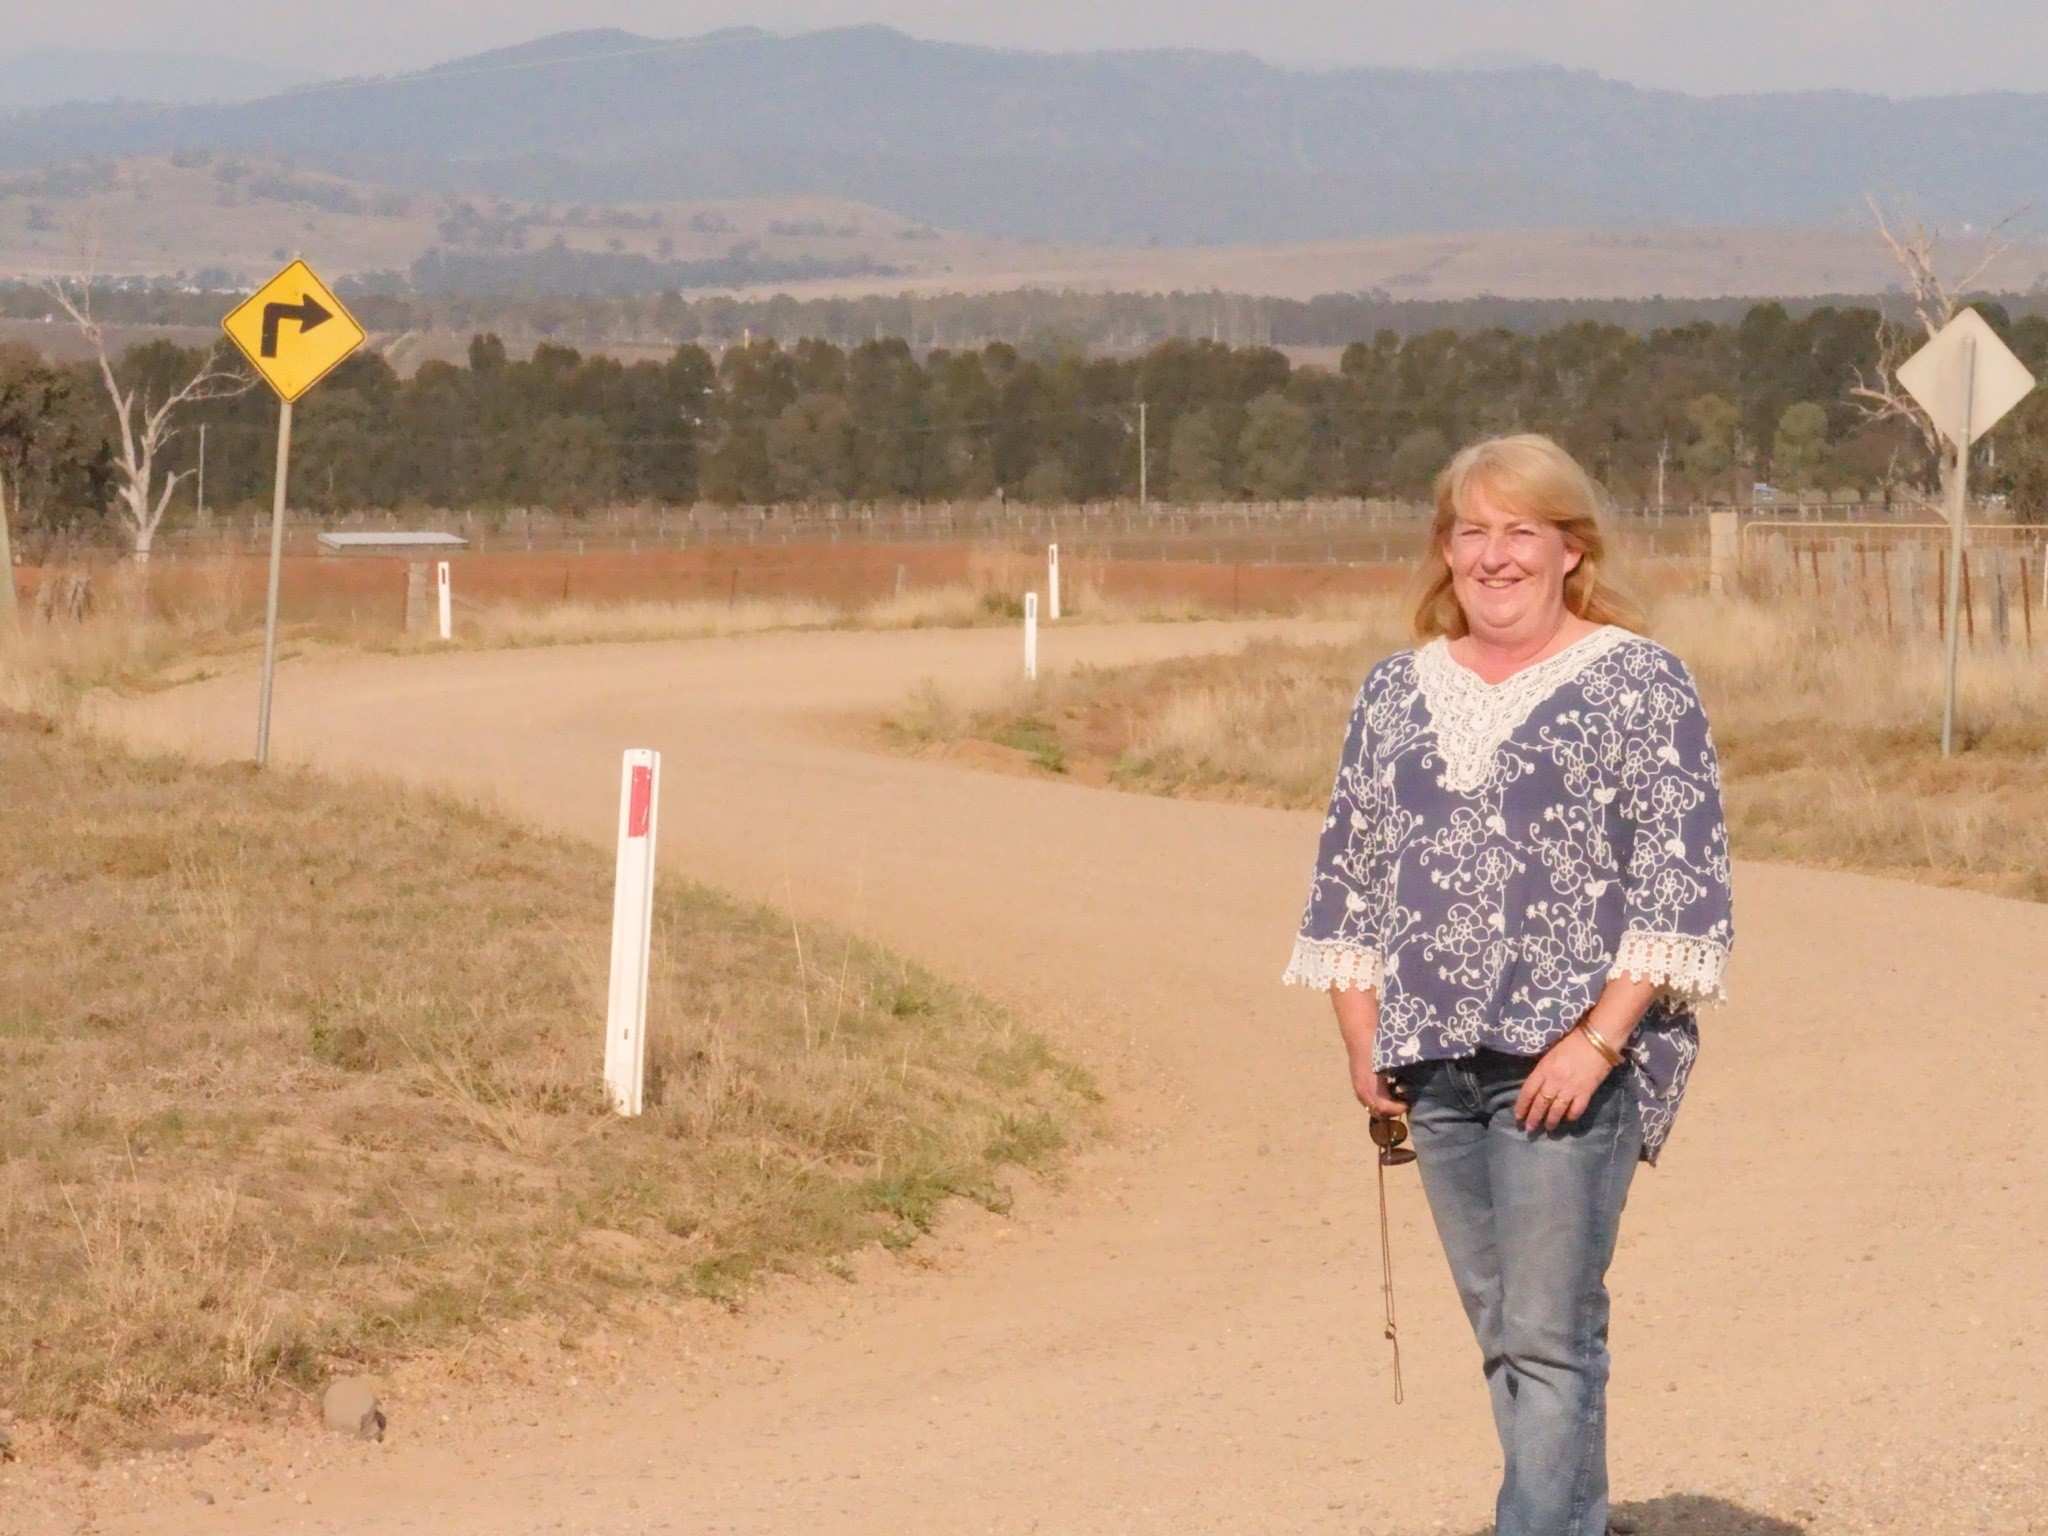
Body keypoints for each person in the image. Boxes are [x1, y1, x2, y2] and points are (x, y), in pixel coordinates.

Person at [1282, 433, 1734, 1536]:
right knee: (1504, 1330)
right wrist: (1360, 1036)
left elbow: (1681, 883)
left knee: (1547, 1330)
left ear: (1569, 550)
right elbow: (1351, 873)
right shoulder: (1394, 690)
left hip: (1564, 1066)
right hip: (1429, 1064)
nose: (1493, 556)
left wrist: (1598, 1040)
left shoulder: (1637, 681)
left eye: (1519, 531)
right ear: (1443, 551)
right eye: (1470, 531)